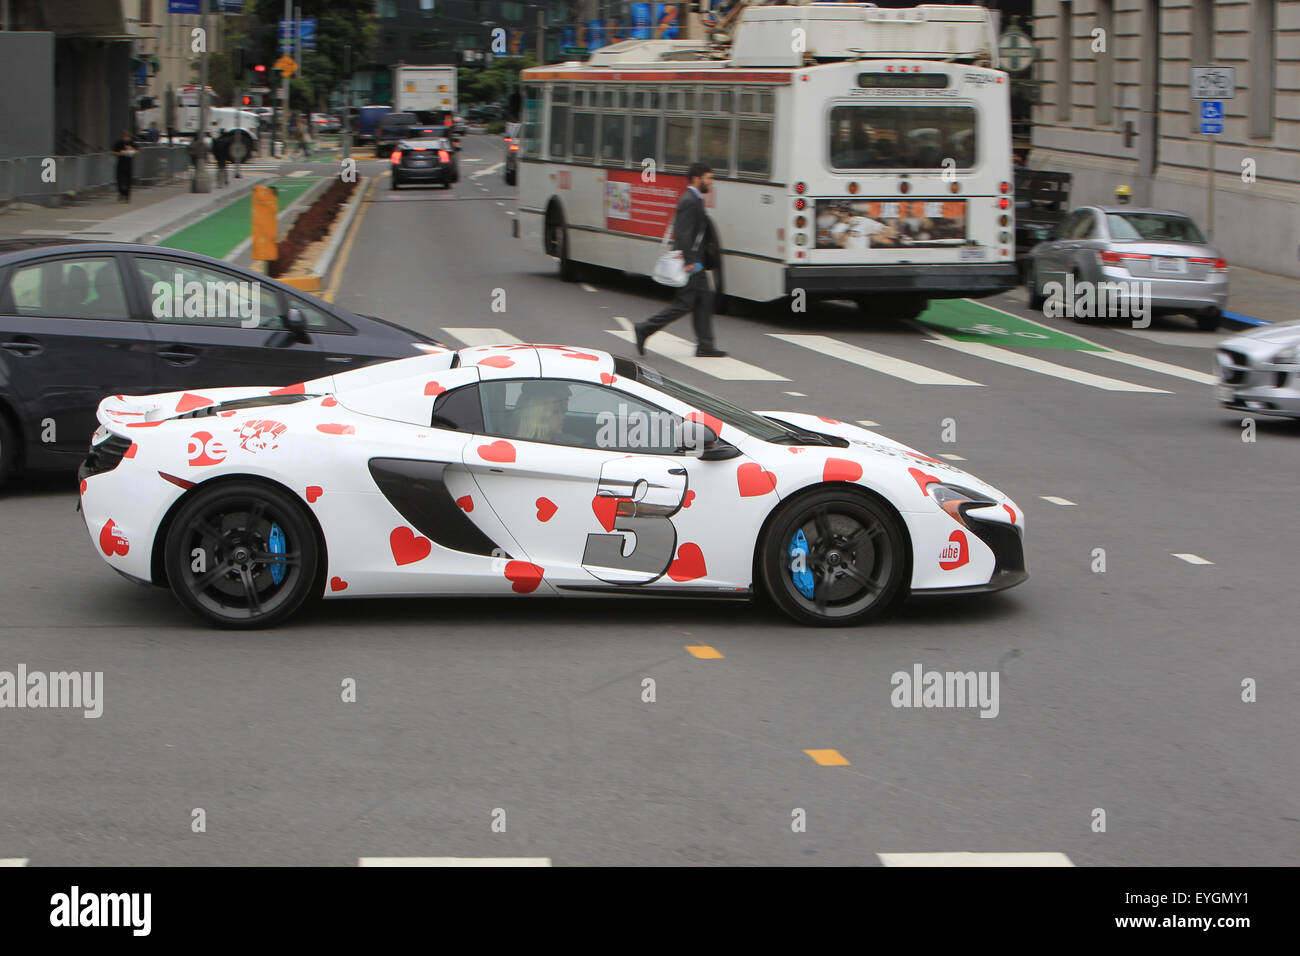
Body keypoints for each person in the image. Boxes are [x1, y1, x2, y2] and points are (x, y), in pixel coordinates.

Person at [635, 162, 726, 358]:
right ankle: (644, 329)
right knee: (684, 304)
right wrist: (689, 262)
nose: (712, 182)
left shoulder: (695, 199)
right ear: (696, 178)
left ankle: (705, 345)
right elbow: (683, 234)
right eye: (709, 178)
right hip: (692, 263)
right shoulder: (689, 201)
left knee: (704, 300)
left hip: (696, 261)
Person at [514, 382, 583, 446]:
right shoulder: (527, 448)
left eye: (563, 411)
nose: (563, 417)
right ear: (539, 416)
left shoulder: (565, 441)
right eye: (555, 412)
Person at [111, 130, 136, 202]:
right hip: (120, 164)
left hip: (129, 164)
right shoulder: (119, 143)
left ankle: (127, 195)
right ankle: (121, 192)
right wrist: (120, 153)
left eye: (127, 137)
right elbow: (114, 152)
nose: (126, 139)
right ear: (123, 137)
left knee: (128, 180)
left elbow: (137, 151)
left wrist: (131, 151)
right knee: (119, 180)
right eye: (125, 137)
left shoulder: (132, 143)